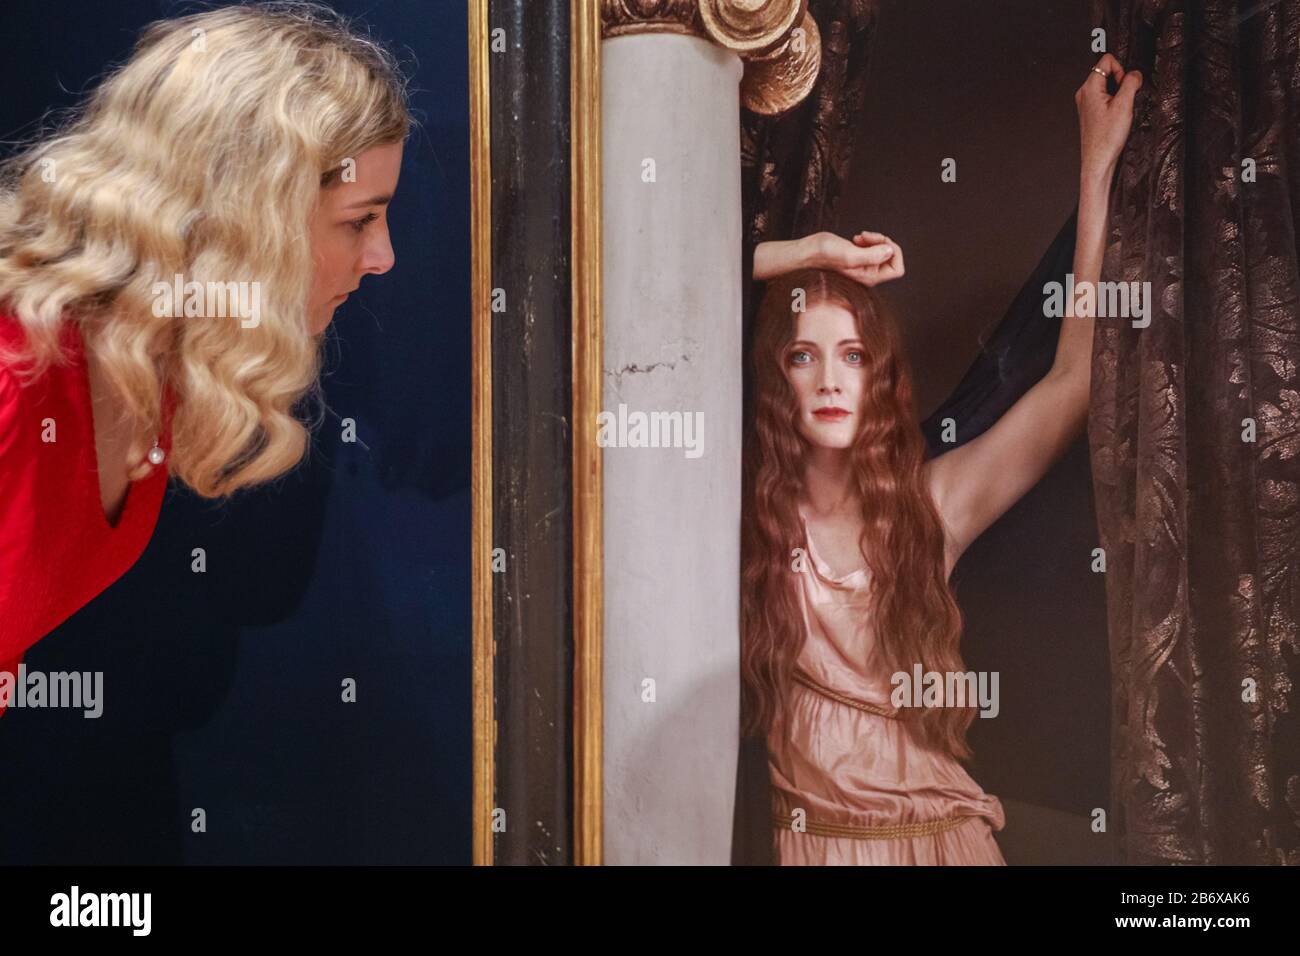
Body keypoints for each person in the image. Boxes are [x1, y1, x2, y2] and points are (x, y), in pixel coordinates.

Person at [743, 55, 1141, 864]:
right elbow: (638, 295)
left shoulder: (931, 509)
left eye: (853, 355)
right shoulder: (744, 518)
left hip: (947, 844)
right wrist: (806, 250)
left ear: (879, 378)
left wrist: (1096, 167)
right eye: (802, 357)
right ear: (775, 377)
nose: (828, 379)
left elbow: (1072, 385)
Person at [0, 2, 411, 714]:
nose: (382, 257)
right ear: (247, 219)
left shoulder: (149, 371)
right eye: (359, 220)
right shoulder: (17, 378)